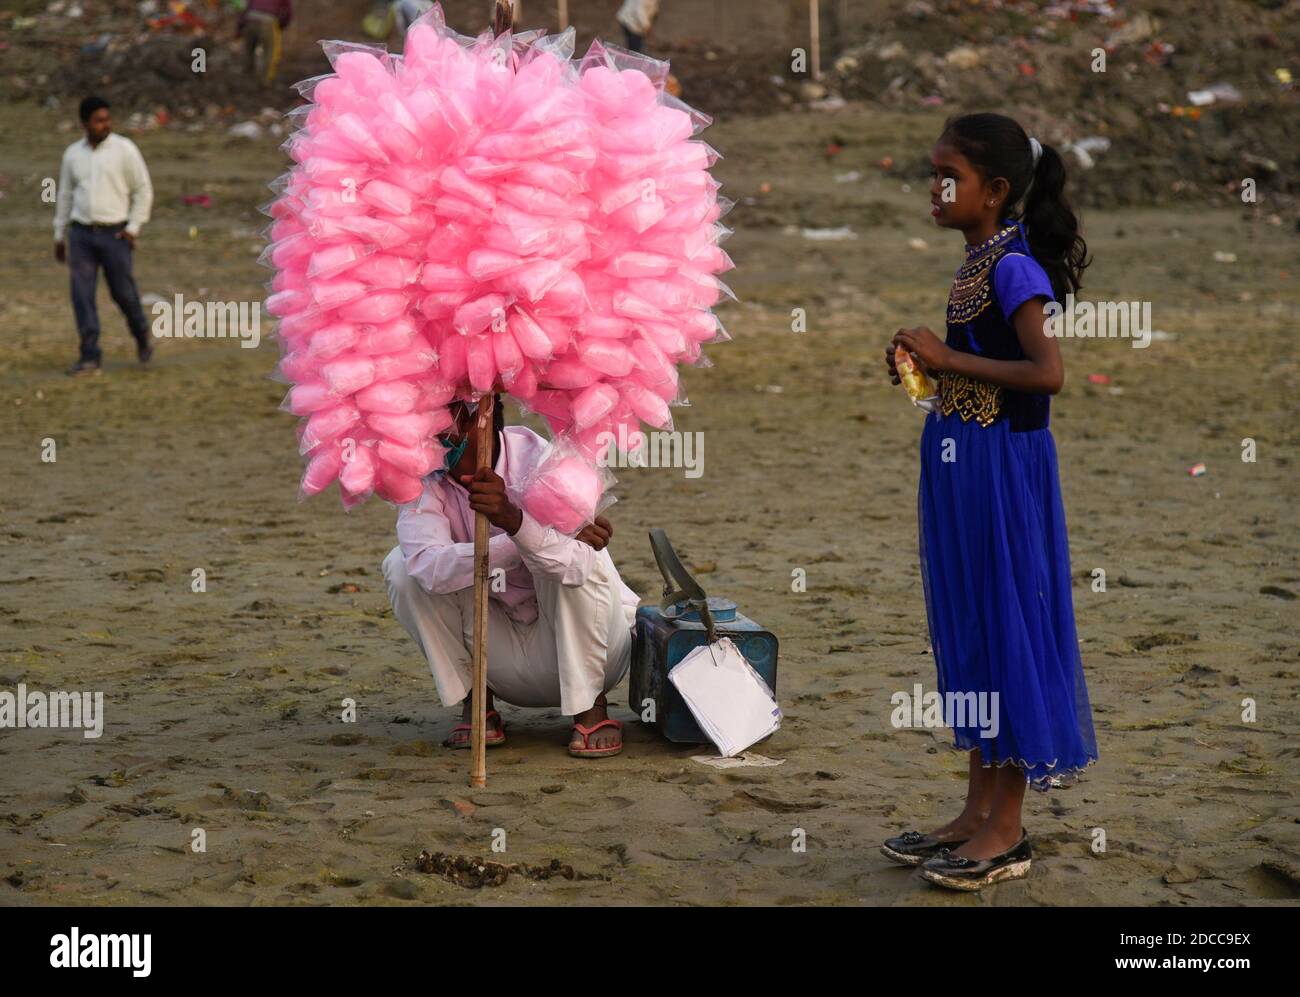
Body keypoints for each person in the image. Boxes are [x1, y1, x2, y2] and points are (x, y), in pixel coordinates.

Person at [881, 112, 1098, 890]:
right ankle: (974, 812)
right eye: (933, 171)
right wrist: (928, 369)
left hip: (1006, 469)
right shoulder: (977, 260)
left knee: (1008, 630)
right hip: (964, 461)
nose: (935, 187)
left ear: (996, 190)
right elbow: (977, 366)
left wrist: (948, 357)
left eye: (952, 176)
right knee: (972, 629)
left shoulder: (1012, 268)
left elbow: (1047, 374)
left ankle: (1007, 829)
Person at [383, 398, 639, 758]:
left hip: (586, 654)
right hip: (497, 660)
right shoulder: (423, 477)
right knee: (401, 566)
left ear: (480, 417)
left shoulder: (546, 461)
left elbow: (577, 568)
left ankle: (591, 707)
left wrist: (514, 518)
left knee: (569, 558)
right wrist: (517, 534)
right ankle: (476, 700)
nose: (433, 432)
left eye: (444, 419)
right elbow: (427, 568)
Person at [53, 96, 154, 377]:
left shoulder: (125, 150)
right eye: (98, 120)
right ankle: (89, 355)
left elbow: (143, 190)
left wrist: (133, 227)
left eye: (107, 119)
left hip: (116, 234)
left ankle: (141, 331)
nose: (105, 125)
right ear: (84, 123)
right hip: (82, 234)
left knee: (123, 293)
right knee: (81, 295)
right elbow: (64, 195)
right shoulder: (73, 154)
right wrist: (59, 235)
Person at [237, 0, 293, 87]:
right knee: (270, 52)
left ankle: (246, 76)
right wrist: (281, 25)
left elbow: (247, 8)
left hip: (251, 19)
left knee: (248, 50)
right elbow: (288, 12)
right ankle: (264, 81)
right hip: (268, 21)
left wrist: (239, 27)